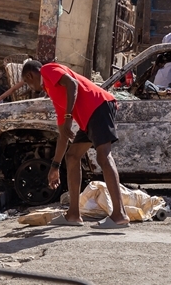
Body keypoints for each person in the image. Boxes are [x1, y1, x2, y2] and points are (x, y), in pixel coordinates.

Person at [20, 60, 129, 230]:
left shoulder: (48, 70)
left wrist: (69, 117)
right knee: (72, 156)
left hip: (99, 106)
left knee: (103, 155)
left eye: (27, 82)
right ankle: (73, 214)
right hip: (88, 118)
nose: (29, 86)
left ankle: (119, 214)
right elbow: (63, 134)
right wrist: (54, 167)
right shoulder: (53, 92)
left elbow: (73, 83)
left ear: (30, 75)